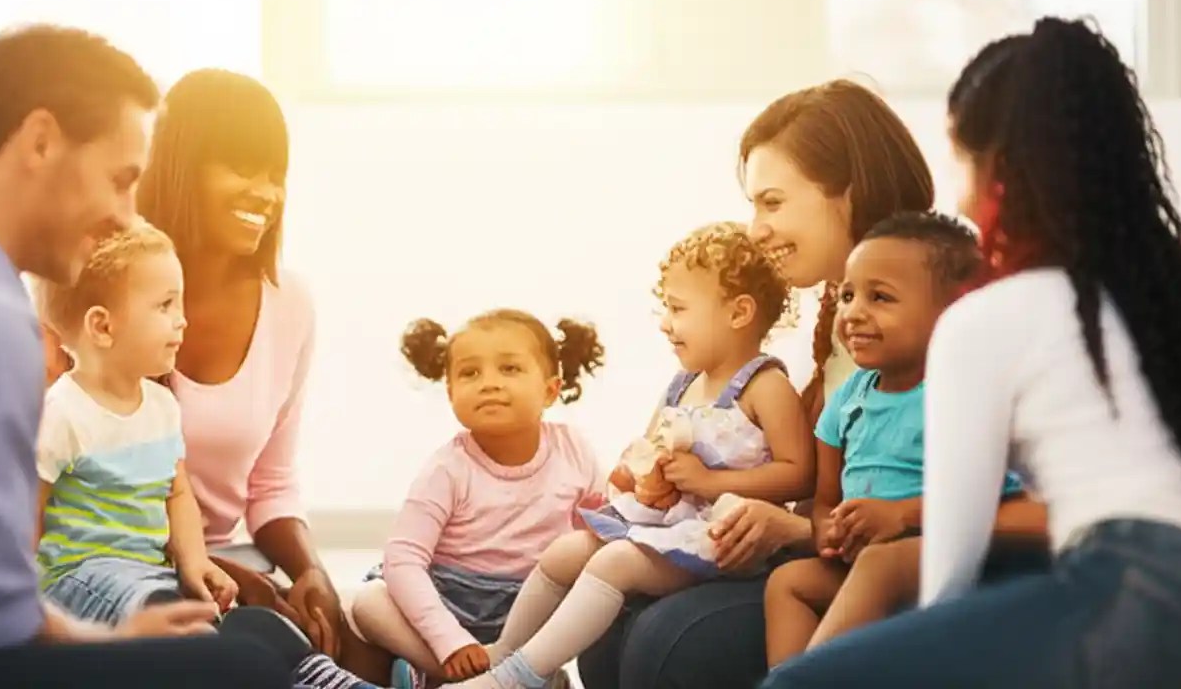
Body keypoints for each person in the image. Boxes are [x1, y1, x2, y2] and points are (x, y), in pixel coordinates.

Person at [763, 17, 1181, 688]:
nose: (961, 196)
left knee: (798, 682)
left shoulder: (985, 317)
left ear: (1008, 172)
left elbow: (950, 569)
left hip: (1128, 599)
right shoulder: (1170, 294)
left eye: (966, 163)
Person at [0, 24, 288, 688]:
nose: (125, 215)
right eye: (120, 181)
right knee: (240, 666)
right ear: (40, 141)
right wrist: (105, 641)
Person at [578, 80, 938, 689]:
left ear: (849, 191)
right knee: (612, 628)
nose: (757, 229)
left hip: (888, 570)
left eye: (772, 202)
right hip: (828, 552)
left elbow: (917, 492)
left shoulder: (926, 318)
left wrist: (791, 527)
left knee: (668, 643)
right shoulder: (833, 330)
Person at [459, 222, 813, 689]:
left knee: (614, 563)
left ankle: (518, 678)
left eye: (678, 309)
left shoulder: (766, 386)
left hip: (719, 540)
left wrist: (709, 483)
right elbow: (648, 453)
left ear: (738, 312)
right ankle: (503, 653)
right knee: (565, 552)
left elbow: (798, 474)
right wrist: (644, 479)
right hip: (667, 524)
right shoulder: (682, 384)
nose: (666, 323)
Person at [128, 68, 394, 679]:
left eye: (274, 174)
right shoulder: (107, 296)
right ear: (179, 167)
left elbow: (270, 484)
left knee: (358, 635)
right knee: (252, 640)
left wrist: (312, 572)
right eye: (242, 168)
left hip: (231, 556)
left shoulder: (288, 303)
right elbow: (90, 489)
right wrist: (243, 582)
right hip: (126, 561)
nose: (266, 193)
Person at [763, 212, 1031, 667]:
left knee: (877, 568)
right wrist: (828, 531)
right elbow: (825, 500)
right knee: (788, 583)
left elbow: (998, 498)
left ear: (951, 313)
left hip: (951, 565)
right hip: (862, 566)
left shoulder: (960, 395)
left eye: (880, 297)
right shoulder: (847, 402)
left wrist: (899, 516)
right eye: (848, 295)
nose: (853, 312)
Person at [352, 310, 606, 688]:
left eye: (509, 369)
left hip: (533, 604)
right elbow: (403, 558)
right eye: (470, 373)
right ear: (451, 392)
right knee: (368, 601)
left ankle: (524, 669)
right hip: (447, 600)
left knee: (595, 577)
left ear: (550, 390)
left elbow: (598, 527)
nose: (489, 384)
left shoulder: (574, 449)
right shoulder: (448, 468)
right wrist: (449, 642)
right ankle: (444, 672)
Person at [32, 220, 237, 623]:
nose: (183, 320)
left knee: (256, 622)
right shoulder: (61, 413)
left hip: (148, 578)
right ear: (103, 327)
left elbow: (177, 494)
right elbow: (27, 511)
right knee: (179, 618)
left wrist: (195, 561)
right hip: (78, 579)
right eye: (165, 305)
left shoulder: (163, 407)